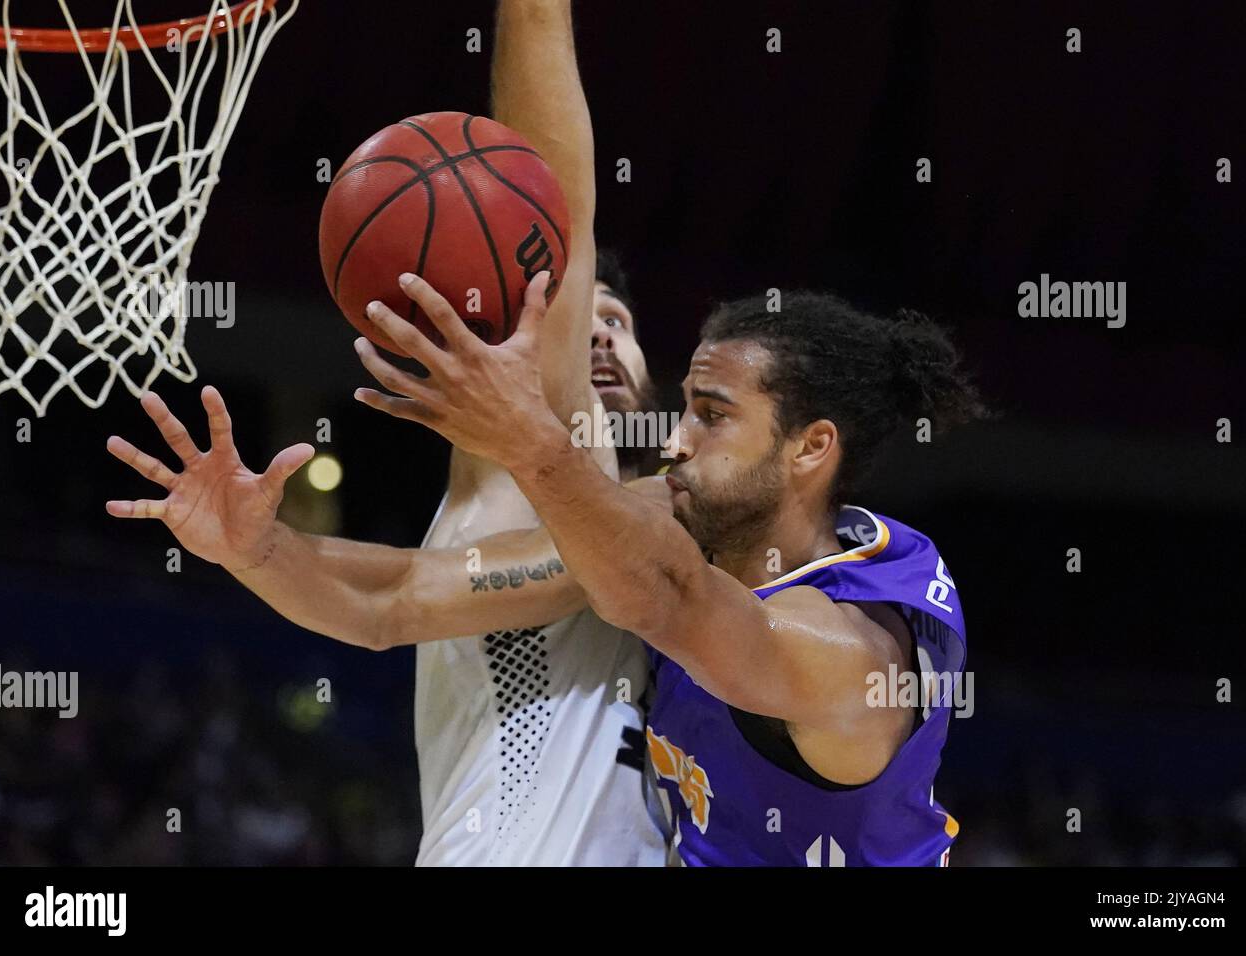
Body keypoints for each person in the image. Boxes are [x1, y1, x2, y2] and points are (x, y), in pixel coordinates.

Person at [104, 0, 666, 867]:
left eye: (620, 325)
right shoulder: (530, 472)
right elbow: (387, 604)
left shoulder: (695, 556)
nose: (597, 337)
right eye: (580, 320)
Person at [352, 273, 987, 866]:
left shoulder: (853, 655)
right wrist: (256, 548)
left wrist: (525, 438)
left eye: (712, 416)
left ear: (812, 445)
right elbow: (412, 594)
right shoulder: (698, 518)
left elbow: (660, 597)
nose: (674, 441)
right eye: (685, 409)